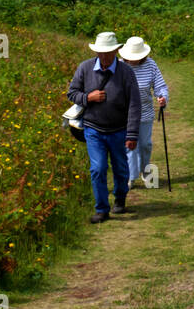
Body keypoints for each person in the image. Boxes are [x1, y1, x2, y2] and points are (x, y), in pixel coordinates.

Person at [67, 32, 140, 223]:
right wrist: (87, 98)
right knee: (98, 168)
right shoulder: (85, 68)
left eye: (108, 53)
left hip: (119, 129)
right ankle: (101, 209)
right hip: (93, 129)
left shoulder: (126, 73)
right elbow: (72, 93)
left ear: (116, 51)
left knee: (121, 168)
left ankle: (120, 198)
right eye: (100, 52)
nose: (104, 57)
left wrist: (132, 134)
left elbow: (134, 104)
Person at [119, 35, 168, 189]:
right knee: (130, 146)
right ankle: (131, 177)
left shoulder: (151, 64)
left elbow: (160, 85)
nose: (134, 59)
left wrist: (162, 97)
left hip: (145, 113)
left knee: (145, 144)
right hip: (125, 115)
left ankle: (145, 171)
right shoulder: (119, 66)